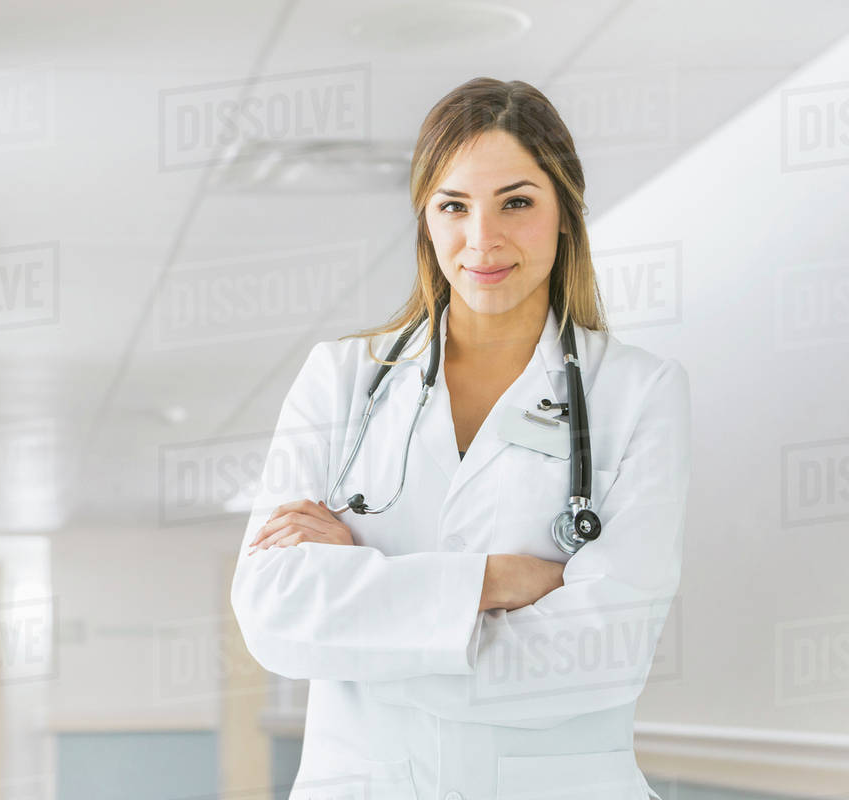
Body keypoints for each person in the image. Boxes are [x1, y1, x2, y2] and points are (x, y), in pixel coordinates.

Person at [229, 77, 691, 800]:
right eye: (454, 206)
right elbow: (274, 615)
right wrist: (494, 581)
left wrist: (369, 629)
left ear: (564, 214)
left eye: (517, 202)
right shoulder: (342, 378)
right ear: (425, 218)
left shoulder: (638, 392)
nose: (483, 240)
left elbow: (606, 651)